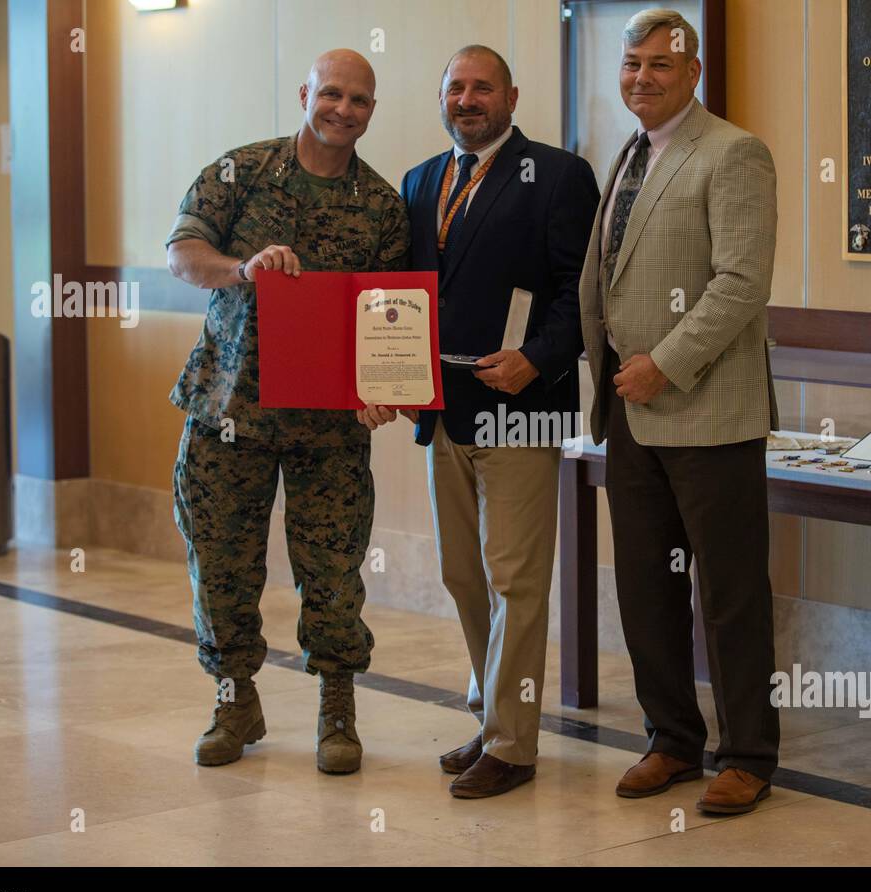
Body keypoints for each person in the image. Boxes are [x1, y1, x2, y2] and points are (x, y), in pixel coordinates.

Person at [360, 44, 597, 798]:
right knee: (465, 575)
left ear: (512, 96)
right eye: (455, 87)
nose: (468, 99)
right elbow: (400, 297)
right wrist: (384, 378)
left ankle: (512, 744)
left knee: (516, 579)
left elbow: (580, 293)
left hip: (521, 408)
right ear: (441, 99)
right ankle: (490, 713)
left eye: (482, 87)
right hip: (446, 412)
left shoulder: (559, 175)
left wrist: (536, 359)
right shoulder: (422, 180)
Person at [166, 49, 408, 773]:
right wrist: (241, 270)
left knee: (333, 573)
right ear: (306, 93)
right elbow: (181, 253)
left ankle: (337, 708)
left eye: (359, 100)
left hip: (329, 430)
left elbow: (389, 316)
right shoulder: (242, 172)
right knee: (220, 565)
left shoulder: (384, 206)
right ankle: (235, 700)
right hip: (227, 409)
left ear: (371, 110)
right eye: (331, 93)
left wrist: (382, 390)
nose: (343, 109)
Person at [578, 9, 781, 814]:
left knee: (729, 594)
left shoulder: (733, 153)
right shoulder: (627, 153)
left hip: (707, 413)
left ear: (693, 73)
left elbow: (741, 283)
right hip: (629, 415)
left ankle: (749, 755)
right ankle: (671, 740)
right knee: (645, 588)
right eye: (632, 64)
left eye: (661, 65)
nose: (642, 78)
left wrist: (664, 365)